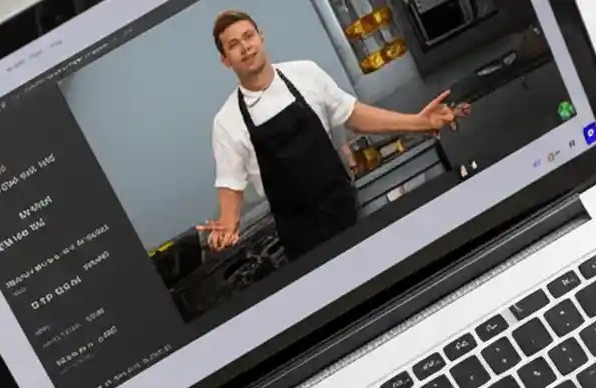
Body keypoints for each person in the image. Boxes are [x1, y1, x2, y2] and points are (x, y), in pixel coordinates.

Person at [198, 10, 471, 260]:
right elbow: (230, 194)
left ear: (261, 36)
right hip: (304, 245)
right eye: (234, 45)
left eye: (249, 36)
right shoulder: (227, 122)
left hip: (353, 213)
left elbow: (355, 115)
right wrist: (224, 230)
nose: (245, 47)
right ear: (225, 60)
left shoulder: (306, 74)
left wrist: (418, 122)